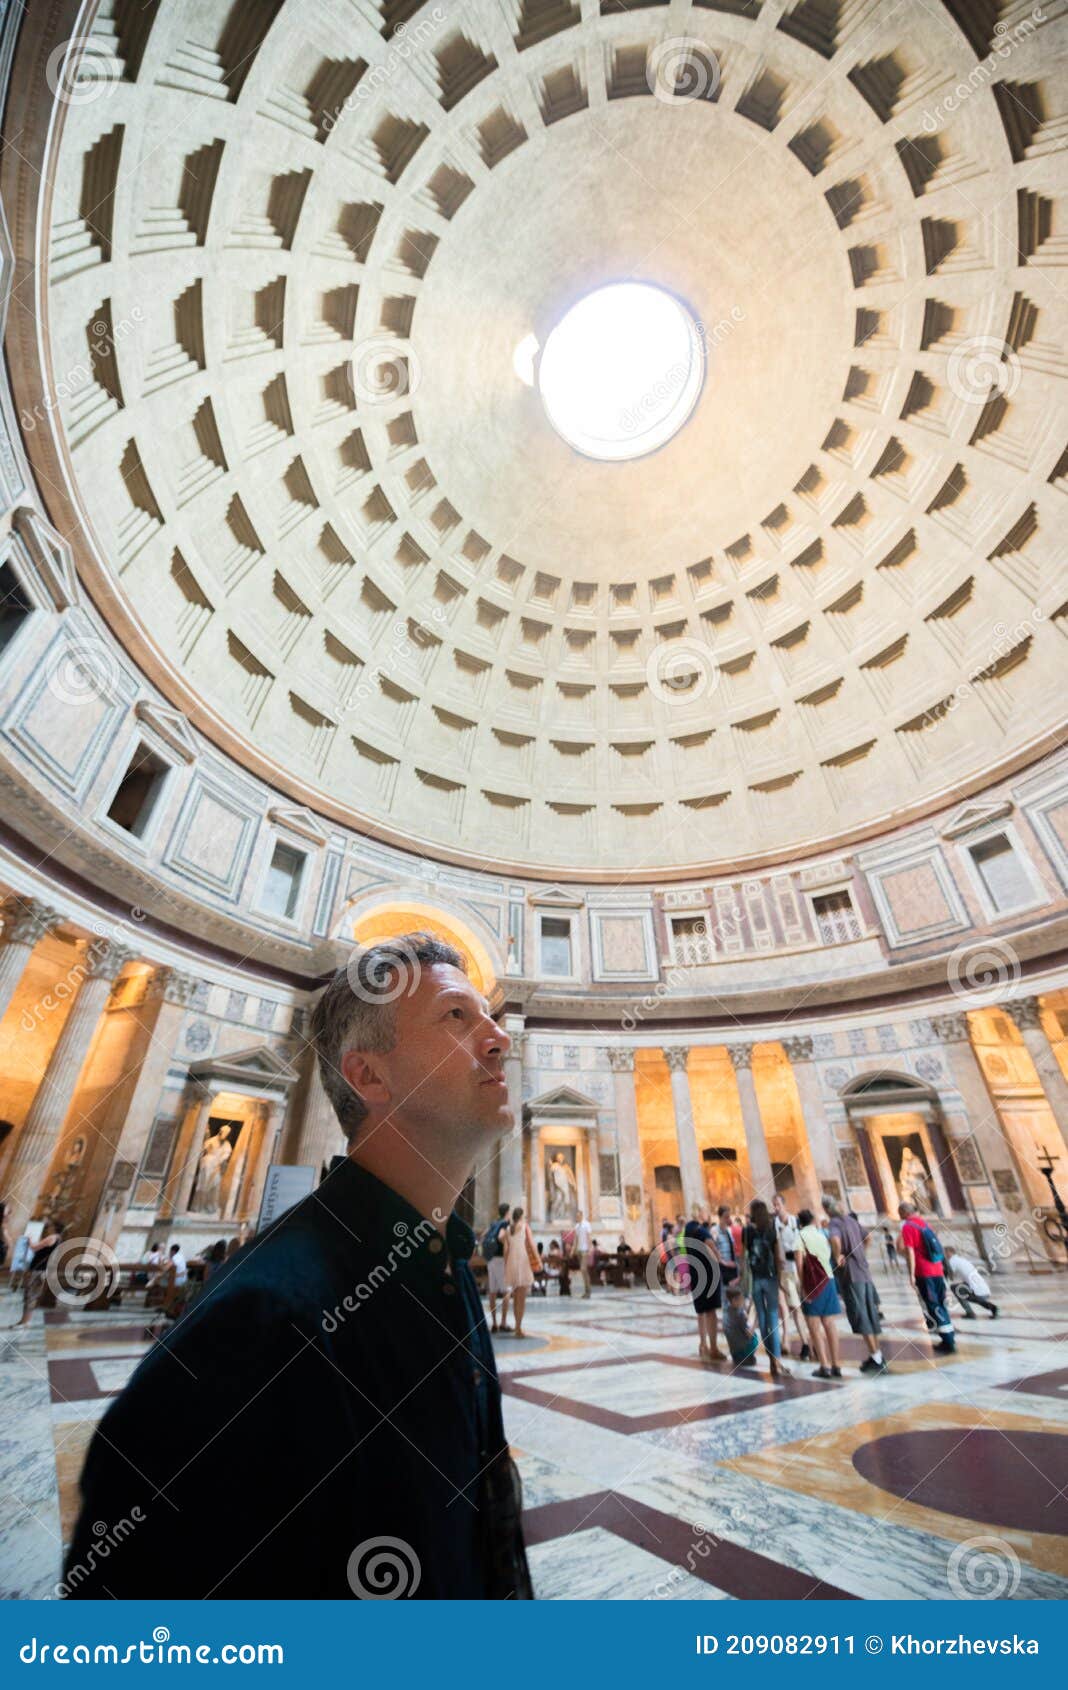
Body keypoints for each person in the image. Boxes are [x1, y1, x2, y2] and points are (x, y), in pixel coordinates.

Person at [65, 932, 531, 1598]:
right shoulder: (262, 1327)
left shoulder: (443, 1268)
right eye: (457, 1017)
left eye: (486, 1016)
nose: (498, 1039)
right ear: (368, 1074)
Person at [825, 1195, 887, 1375]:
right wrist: (861, 1253)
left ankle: (876, 1356)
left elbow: (835, 1240)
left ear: (828, 1210)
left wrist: (837, 1255)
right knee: (870, 1313)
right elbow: (868, 1237)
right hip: (864, 1272)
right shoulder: (852, 1221)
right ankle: (877, 1356)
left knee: (861, 1316)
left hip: (852, 1276)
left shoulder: (834, 1223)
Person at [742, 1199, 791, 1379]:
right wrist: (779, 1280)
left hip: (756, 1278)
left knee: (762, 1319)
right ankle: (775, 1359)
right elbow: (779, 1257)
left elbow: (744, 1257)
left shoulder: (747, 1231)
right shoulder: (772, 1229)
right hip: (770, 1278)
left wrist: (742, 1278)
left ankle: (771, 1359)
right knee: (772, 1318)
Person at [898, 1201, 955, 1354]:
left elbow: (909, 1251)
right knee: (941, 1303)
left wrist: (911, 1274)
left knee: (933, 1305)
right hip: (937, 1269)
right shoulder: (924, 1223)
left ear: (903, 1213)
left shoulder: (908, 1227)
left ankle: (948, 1341)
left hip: (924, 1271)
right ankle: (948, 1336)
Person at [796, 1208, 843, 1379]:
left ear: (800, 1223)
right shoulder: (822, 1235)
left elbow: (800, 1265)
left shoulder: (800, 1236)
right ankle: (836, 1364)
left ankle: (824, 1366)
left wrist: (802, 1286)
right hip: (828, 1280)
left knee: (814, 1326)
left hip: (812, 1284)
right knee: (830, 1324)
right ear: (813, 1221)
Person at [772, 1193, 811, 1361]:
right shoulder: (774, 1224)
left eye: (777, 1204)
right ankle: (805, 1343)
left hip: (800, 1266)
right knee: (794, 1307)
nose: (775, 1208)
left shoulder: (795, 1221)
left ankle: (812, 1341)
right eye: (773, 1205)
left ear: (784, 1204)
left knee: (807, 1307)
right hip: (786, 1269)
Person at [684, 1205, 724, 1363]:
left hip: (695, 1274)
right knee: (711, 1312)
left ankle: (703, 1344)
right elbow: (715, 1253)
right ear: (700, 1214)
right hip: (708, 1275)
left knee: (701, 1311)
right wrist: (719, 1259)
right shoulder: (702, 1231)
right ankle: (713, 1348)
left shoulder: (688, 1229)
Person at [17, 1219, 64, 1325]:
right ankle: (24, 1321)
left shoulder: (51, 1237)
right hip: (43, 1270)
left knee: (30, 1295)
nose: (48, 1227)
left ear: (54, 1227)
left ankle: (24, 1322)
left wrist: (29, 1239)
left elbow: (34, 1248)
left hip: (37, 1270)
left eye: (50, 1226)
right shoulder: (59, 1238)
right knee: (32, 1295)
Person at [503, 1205, 537, 1338]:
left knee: (516, 1296)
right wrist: (538, 1260)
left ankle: (517, 1326)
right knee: (521, 1298)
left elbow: (506, 1250)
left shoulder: (507, 1229)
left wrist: (506, 1266)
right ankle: (518, 1328)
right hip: (522, 1261)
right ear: (521, 1216)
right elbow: (532, 1245)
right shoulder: (524, 1226)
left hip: (511, 1261)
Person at [945, 1243, 998, 1320]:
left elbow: (950, 1276)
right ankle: (992, 1307)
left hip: (976, 1290)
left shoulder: (952, 1261)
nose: (944, 1255)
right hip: (982, 1288)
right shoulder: (961, 1259)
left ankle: (970, 1313)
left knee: (955, 1288)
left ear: (949, 1252)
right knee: (963, 1293)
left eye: (944, 1253)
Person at [482, 1201, 512, 1333]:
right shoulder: (505, 1223)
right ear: (507, 1212)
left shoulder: (494, 1222)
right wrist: (507, 1244)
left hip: (490, 1259)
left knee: (493, 1292)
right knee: (506, 1292)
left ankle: (494, 1323)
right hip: (500, 1259)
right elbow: (500, 1237)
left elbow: (484, 1235)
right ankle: (503, 1323)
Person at [722, 1285, 759, 1366]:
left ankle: (742, 1357)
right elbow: (749, 1334)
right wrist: (756, 1322)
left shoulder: (727, 1310)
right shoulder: (739, 1314)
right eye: (742, 1299)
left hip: (734, 1352)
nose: (743, 1301)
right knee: (755, 1337)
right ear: (734, 1300)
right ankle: (747, 1356)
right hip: (742, 1350)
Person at [574, 1208, 593, 1299]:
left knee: (583, 1269)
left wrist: (590, 1249)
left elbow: (589, 1237)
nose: (576, 1217)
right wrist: (573, 1250)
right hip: (579, 1250)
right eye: (576, 1216)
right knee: (584, 1272)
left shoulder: (587, 1225)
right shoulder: (577, 1226)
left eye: (578, 1216)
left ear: (581, 1215)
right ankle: (586, 1291)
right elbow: (576, 1239)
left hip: (585, 1250)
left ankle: (588, 1291)